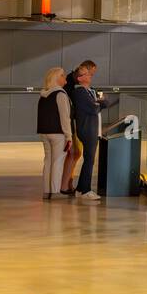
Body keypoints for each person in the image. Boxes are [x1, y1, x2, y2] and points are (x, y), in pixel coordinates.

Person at [70, 60, 108, 201]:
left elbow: (99, 104)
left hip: (92, 129)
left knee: (89, 159)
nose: (90, 75)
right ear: (80, 78)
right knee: (89, 160)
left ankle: (80, 188)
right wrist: (101, 103)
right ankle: (85, 190)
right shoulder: (79, 92)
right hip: (87, 130)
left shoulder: (87, 92)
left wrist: (100, 103)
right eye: (86, 74)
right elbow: (94, 108)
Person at [36, 67, 72, 200]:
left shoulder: (43, 95)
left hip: (44, 132)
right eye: (63, 76)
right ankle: (56, 192)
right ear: (57, 78)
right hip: (58, 133)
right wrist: (69, 136)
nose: (66, 80)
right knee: (58, 162)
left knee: (48, 161)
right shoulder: (60, 94)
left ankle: (47, 191)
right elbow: (65, 117)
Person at [59, 66, 82, 196]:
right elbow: (66, 113)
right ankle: (65, 185)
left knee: (75, 153)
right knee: (74, 153)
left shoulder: (69, 87)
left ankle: (67, 183)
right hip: (67, 128)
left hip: (69, 127)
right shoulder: (66, 89)